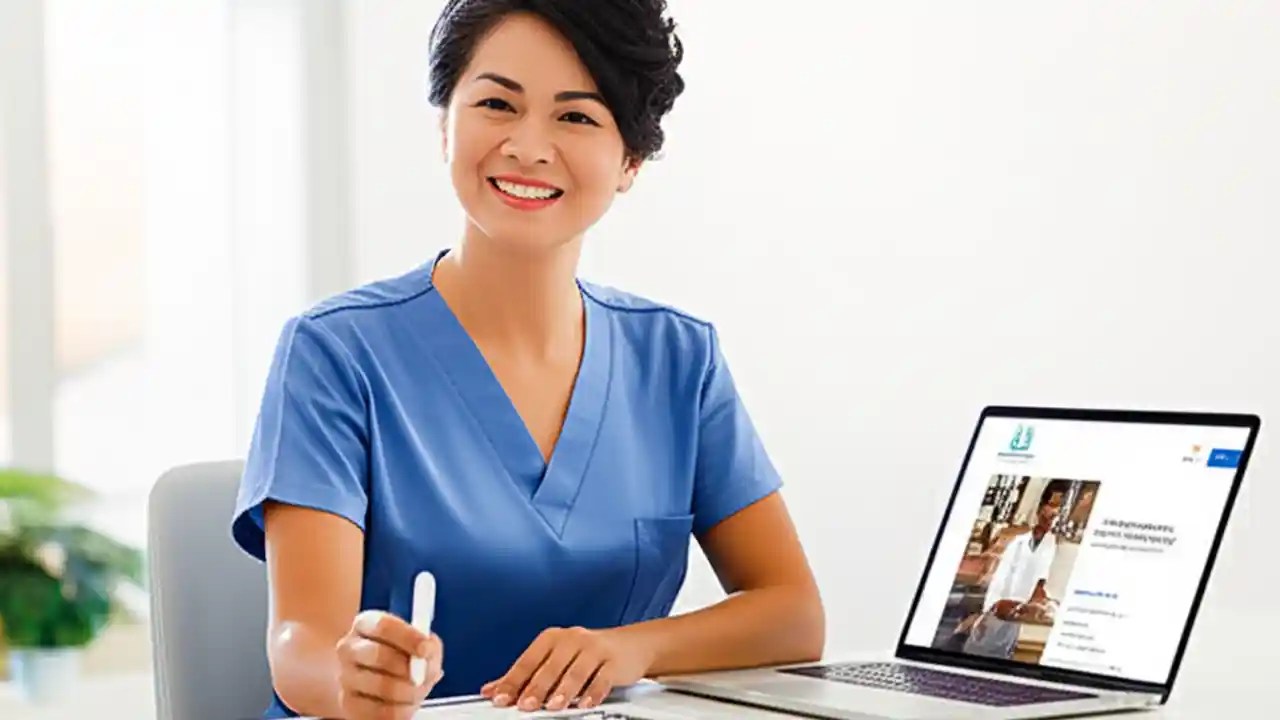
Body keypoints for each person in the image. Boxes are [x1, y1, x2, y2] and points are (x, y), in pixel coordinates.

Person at [229, 2, 825, 718]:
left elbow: (792, 615)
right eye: (496, 104)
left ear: (630, 159)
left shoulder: (678, 359)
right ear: (444, 124)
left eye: (575, 117)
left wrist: (632, 647)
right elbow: (302, 643)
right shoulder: (333, 353)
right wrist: (354, 682)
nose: (528, 146)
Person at [952, 480, 1069, 660]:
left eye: (1058, 509)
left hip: (1015, 617)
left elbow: (1042, 582)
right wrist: (987, 610)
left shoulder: (1055, 546)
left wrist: (1040, 602)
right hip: (994, 612)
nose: (1053, 513)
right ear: (1040, 508)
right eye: (1051, 506)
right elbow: (998, 577)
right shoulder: (1017, 539)